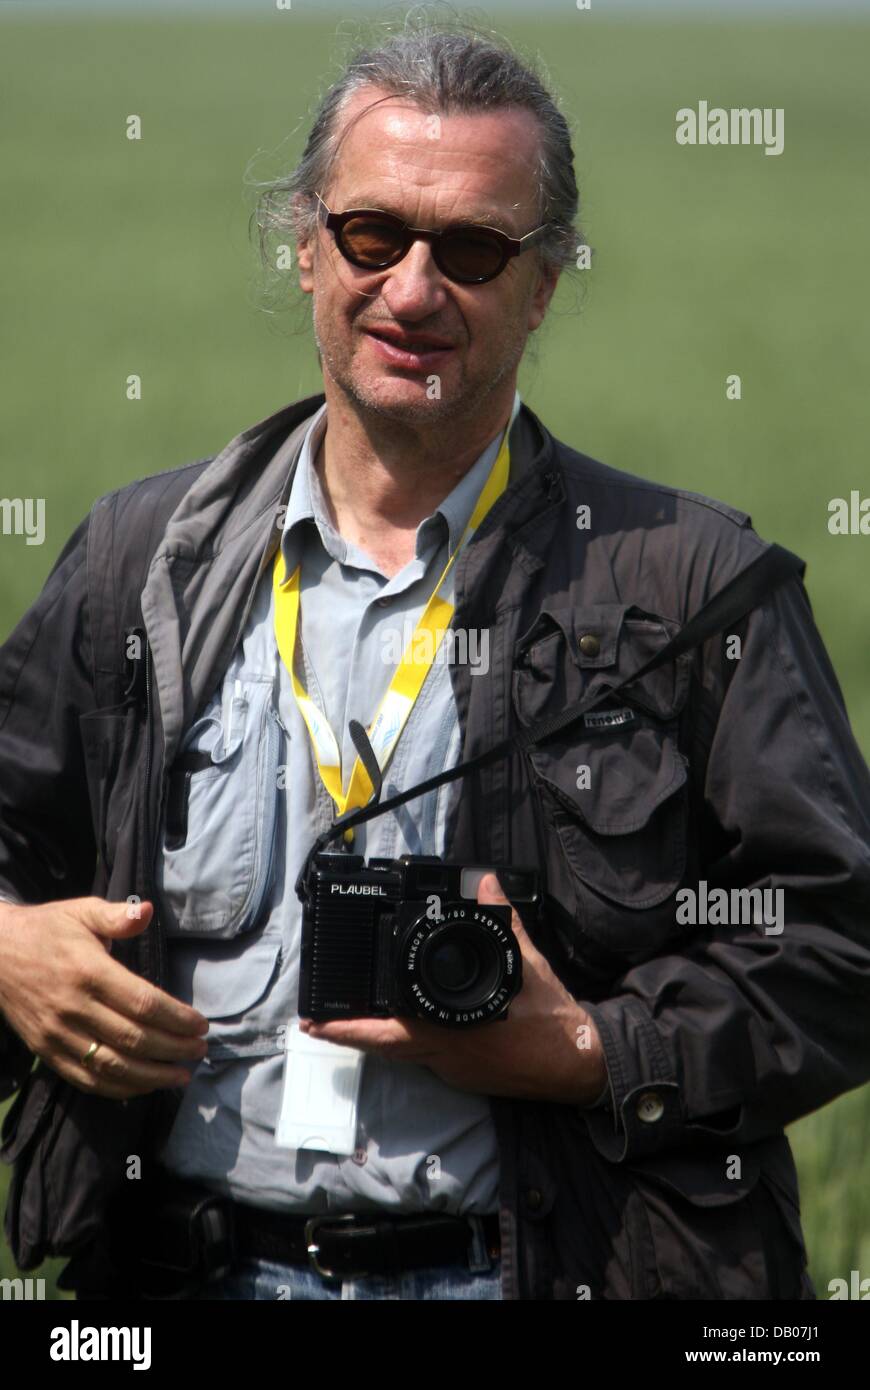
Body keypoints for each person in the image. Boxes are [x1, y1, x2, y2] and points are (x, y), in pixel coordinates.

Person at [1, 20, 869, 1303]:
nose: (414, 290)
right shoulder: (143, 559)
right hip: (174, 1277)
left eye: (472, 249)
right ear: (304, 245)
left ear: (545, 282)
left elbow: (838, 937)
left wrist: (582, 1045)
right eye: (372, 236)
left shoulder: (688, 588)